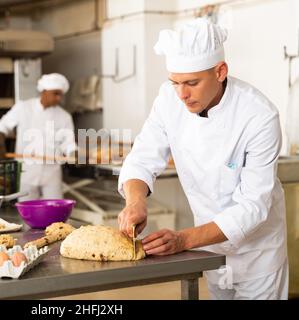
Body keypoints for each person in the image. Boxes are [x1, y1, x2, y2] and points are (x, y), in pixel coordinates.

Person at [117, 18, 288, 300]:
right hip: (209, 249)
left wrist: (183, 240)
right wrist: (136, 202)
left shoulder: (259, 116)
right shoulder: (168, 99)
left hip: (258, 256)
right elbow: (142, 157)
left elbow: (253, 206)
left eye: (192, 83)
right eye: (175, 83)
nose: (182, 94)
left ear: (220, 71)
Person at [0, 73, 76, 201]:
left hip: (51, 172)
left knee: (55, 209)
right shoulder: (23, 108)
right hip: (26, 170)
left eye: (60, 94)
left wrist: (73, 152)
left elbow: (68, 142)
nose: (59, 98)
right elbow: (3, 125)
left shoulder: (64, 116)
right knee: (27, 210)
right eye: (56, 93)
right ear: (44, 91)